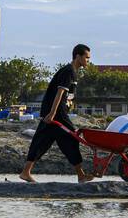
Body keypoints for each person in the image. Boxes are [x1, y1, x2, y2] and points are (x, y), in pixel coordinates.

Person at [20, 44, 93, 182]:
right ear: (78, 56)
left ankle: (26, 172)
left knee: (44, 141)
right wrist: (52, 114)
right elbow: (59, 94)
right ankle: (81, 175)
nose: (88, 61)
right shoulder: (68, 71)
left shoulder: (73, 72)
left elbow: (67, 96)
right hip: (56, 114)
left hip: (57, 113)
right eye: (87, 58)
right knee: (70, 139)